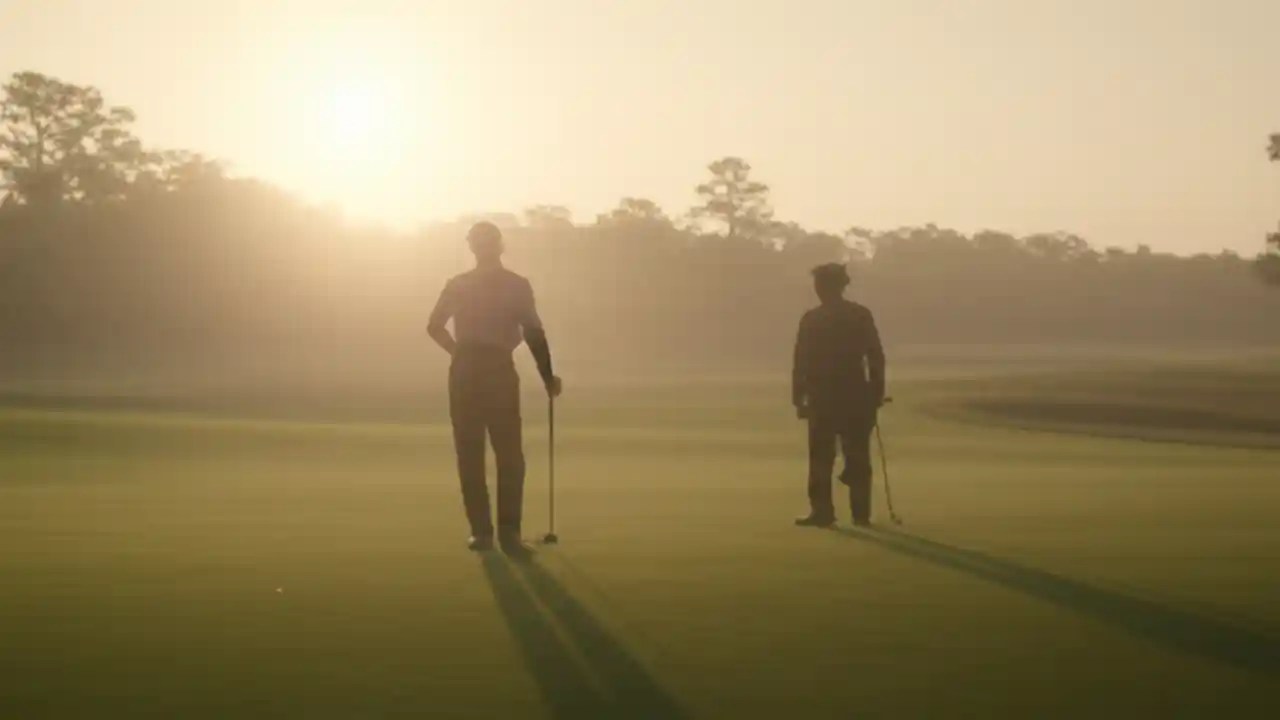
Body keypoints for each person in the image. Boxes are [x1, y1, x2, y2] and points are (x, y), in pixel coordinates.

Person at [428, 222, 562, 553]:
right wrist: (547, 376)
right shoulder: (515, 285)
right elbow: (533, 332)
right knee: (509, 453)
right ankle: (508, 533)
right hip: (497, 369)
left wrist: (458, 351)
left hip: (465, 371)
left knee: (470, 453)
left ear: (472, 247)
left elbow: (434, 327)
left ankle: (482, 533)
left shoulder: (459, 284)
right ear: (500, 246)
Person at [792, 263, 886, 527]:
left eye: (821, 284)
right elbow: (876, 356)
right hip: (851, 395)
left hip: (829, 396)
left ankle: (824, 511)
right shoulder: (858, 314)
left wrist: (798, 397)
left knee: (826, 457)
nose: (818, 289)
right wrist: (876, 392)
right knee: (853, 455)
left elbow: (801, 361)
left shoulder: (814, 318)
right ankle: (858, 513)